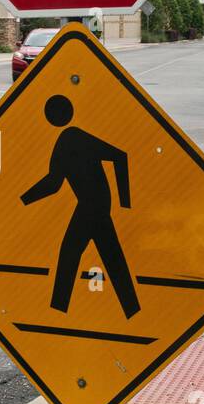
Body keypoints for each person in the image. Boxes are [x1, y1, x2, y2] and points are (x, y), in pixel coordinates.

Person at [21, 94, 140, 319]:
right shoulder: (65, 140)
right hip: (92, 206)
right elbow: (54, 183)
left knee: (71, 254)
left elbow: (119, 156)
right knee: (110, 259)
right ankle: (132, 310)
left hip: (93, 207)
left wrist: (126, 202)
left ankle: (58, 310)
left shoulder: (73, 136)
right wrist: (24, 199)